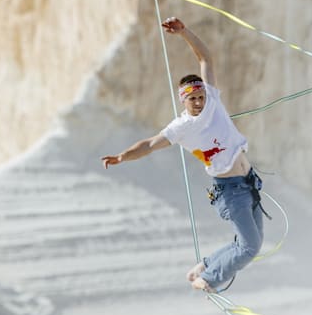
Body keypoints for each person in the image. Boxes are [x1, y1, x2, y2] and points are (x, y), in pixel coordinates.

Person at [101, 16, 266, 293]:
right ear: (183, 100)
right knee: (250, 248)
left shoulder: (212, 99)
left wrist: (184, 32)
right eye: (193, 99)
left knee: (252, 242)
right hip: (230, 190)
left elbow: (206, 59)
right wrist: (121, 157)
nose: (199, 102)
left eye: (201, 96)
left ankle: (204, 266)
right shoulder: (181, 128)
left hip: (249, 181)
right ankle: (209, 279)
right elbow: (149, 144)